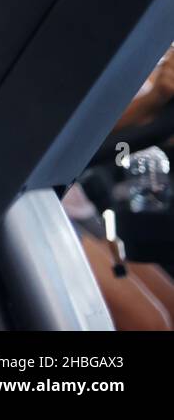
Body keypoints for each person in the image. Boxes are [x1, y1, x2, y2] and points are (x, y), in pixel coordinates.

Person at [67, 45, 174, 330]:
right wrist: (154, 99)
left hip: (78, 200)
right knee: (150, 324)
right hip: (41, 202)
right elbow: (72, 134)